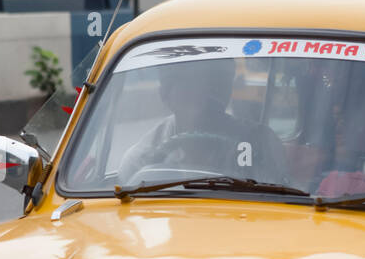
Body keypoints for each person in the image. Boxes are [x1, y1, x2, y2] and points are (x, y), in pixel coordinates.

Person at [118, 57, 287, 184]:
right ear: (165, 94)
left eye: (217, 83)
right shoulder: (142, 158)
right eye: (190, 84)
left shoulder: (259, 143)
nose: (206, 95)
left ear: (228, 88)